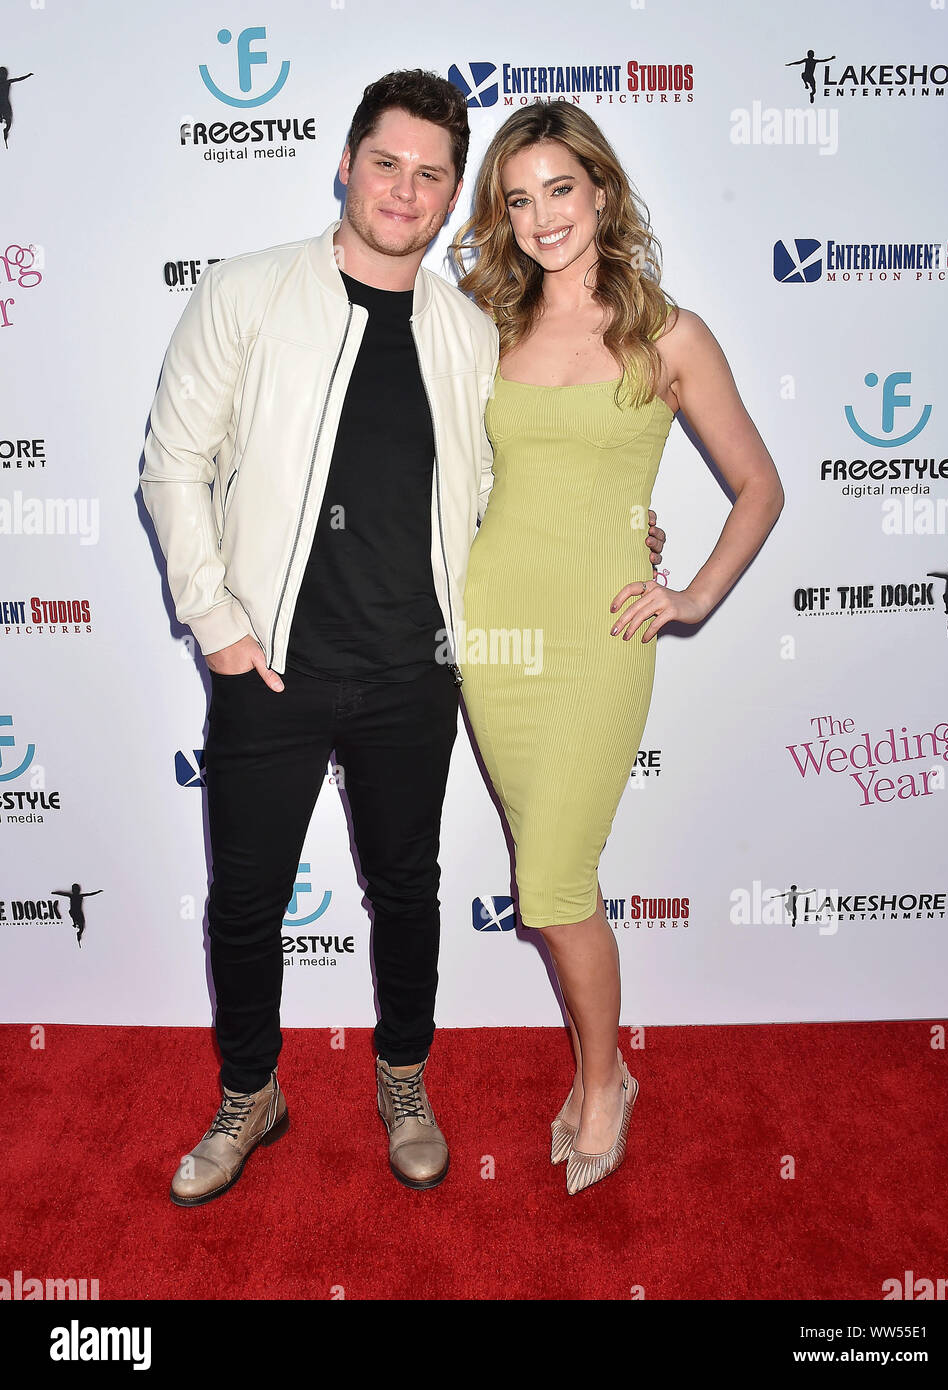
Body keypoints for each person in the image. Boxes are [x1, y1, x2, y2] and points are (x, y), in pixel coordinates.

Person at [141, 65, 671, 1206]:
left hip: (418, 671)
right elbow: (173, 464)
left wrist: (630, 525)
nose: (405, 188)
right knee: (243, 900)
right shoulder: (248, 292)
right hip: (271, 664)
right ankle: (249, 1095)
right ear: (345, 164)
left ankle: (404, 1081)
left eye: (432, 174)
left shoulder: (471, 330)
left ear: (446, 201)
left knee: (409, 889)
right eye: (386, 162)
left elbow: (520, 476)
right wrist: (217, 622)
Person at [451, 104, 784, 1194]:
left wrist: (688, 596)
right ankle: (608, 1066)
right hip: (493, 629)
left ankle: (604, 1080)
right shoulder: (480, 323)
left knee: (551, 887)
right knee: (552, 879)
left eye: (559, 189)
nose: (541, 216)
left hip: (600, 633)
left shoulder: (666, 333)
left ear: (600, 190)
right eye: (517, 197)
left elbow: (760, 485)